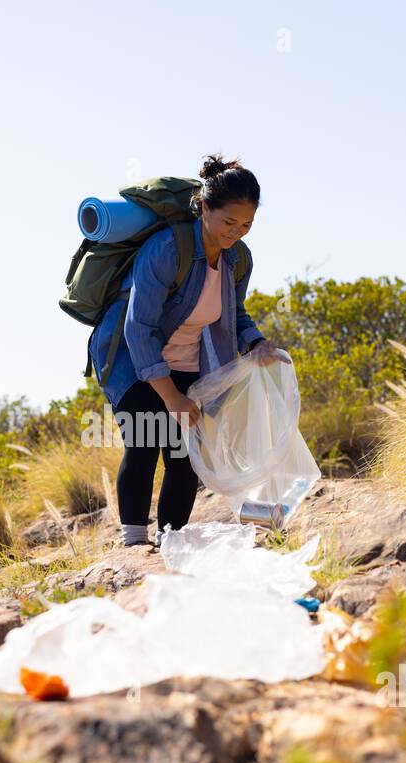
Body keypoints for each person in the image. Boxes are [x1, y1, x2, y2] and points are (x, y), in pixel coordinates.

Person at [87, 153, 290, 549]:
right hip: (131, 355)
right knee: (146, 437)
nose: (236, 232)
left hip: (189, 358)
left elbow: (233, 312)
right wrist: (172, 397)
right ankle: (133, 547)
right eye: (228, 222)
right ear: (205, 208)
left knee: (185, 455)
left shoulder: (238, 259)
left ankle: (171, 543)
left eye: (247, 224)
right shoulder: (166, 250)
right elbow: (138, 327)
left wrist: (256, 342)